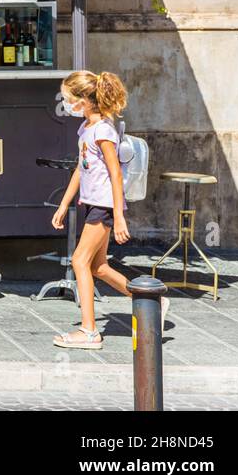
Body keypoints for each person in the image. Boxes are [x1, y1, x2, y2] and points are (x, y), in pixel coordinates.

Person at [50, 70, 166, 349]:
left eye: (67, 98)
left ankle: (89, 331)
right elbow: (81, 168)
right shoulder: (86, 128)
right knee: (98, 267)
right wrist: (64, 203)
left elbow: (115, 173)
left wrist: (118, 216)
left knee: (79, 261)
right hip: (93, 202)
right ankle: (152, 303)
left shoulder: (103, 130)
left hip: (103, 205)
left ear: (84, 100)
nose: (65, 104)